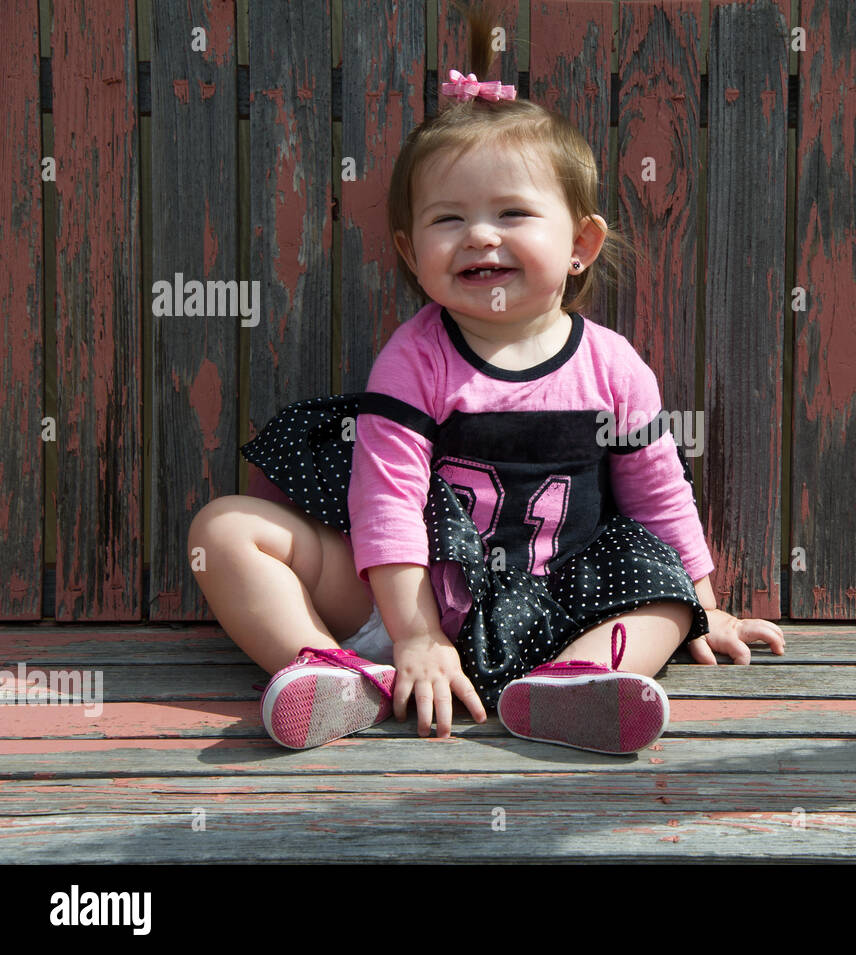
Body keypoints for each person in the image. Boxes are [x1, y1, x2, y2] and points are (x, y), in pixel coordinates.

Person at [188, 4, 784, 756]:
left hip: (567, 600)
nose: (479, 235)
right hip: (411, 597)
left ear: (581, 244)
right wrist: (414, 633)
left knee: (659, 588)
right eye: (448, 219)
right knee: (227, 529)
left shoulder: (612, 367)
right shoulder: (415, 360)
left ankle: (576, 685)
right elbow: (388, 501)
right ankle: (331, 670)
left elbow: (659, 496)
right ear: (410, 250)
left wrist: (708, 607)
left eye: (512, 212)